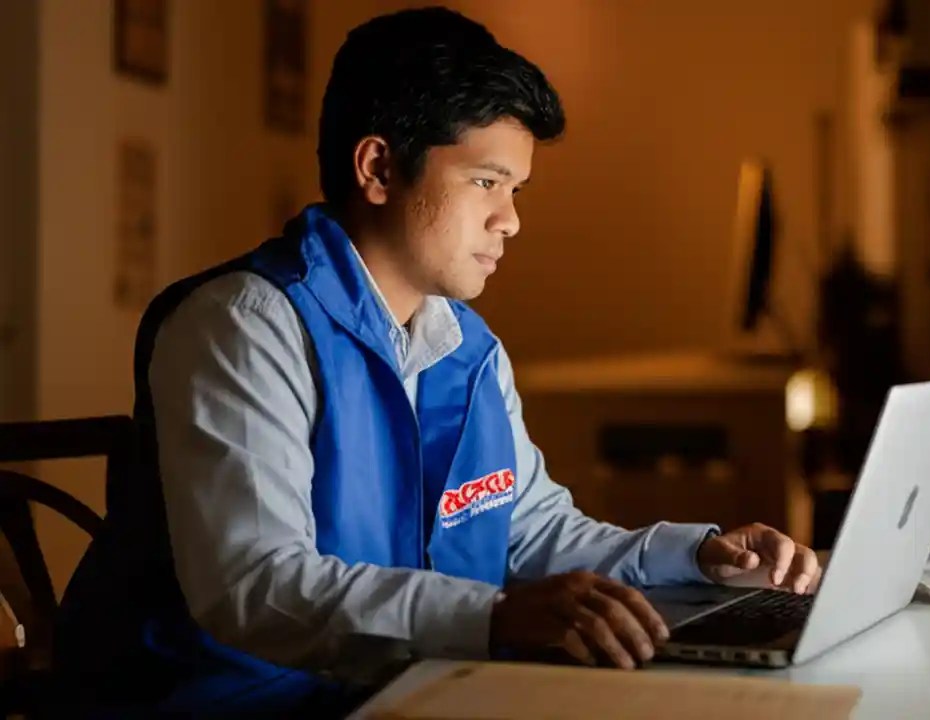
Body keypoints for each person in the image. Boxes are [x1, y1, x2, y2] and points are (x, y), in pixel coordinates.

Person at [53, 6, 818, 715]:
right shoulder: (244, 325)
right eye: (485, 182)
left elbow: (533, 532)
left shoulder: (467, 347)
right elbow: (257, 587)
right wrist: (495, 618)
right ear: (379, 169)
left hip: (410, 695)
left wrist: (699, 554)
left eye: (516, 189)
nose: (510, 219)